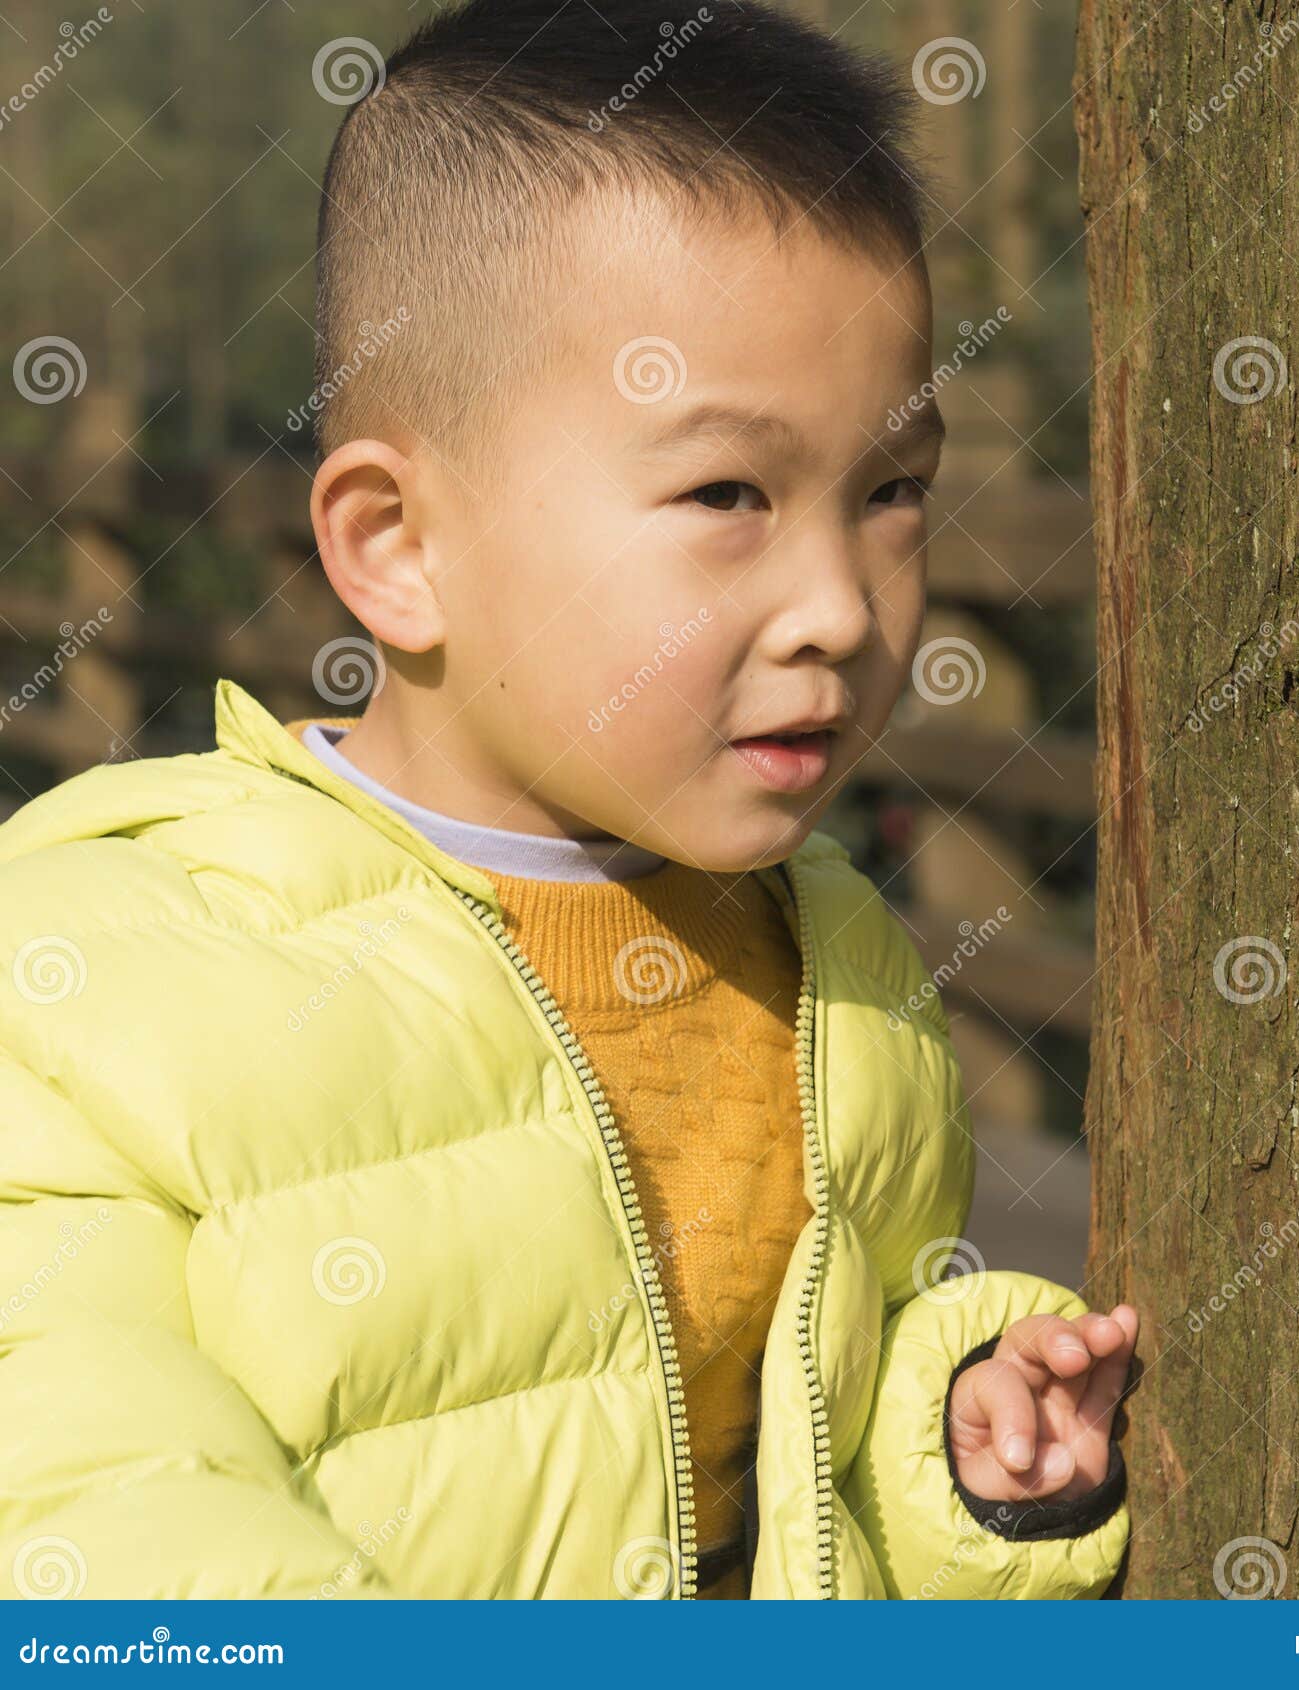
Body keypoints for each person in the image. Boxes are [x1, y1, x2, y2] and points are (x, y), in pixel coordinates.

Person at [0, 0, 1136, 1600]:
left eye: (889, 490)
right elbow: (93, 1511)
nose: (838, 601)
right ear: (400, 547)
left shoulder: (852, 979)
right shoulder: (94, 983)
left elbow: (799, 1470)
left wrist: (961, 1454)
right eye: (728, 493)